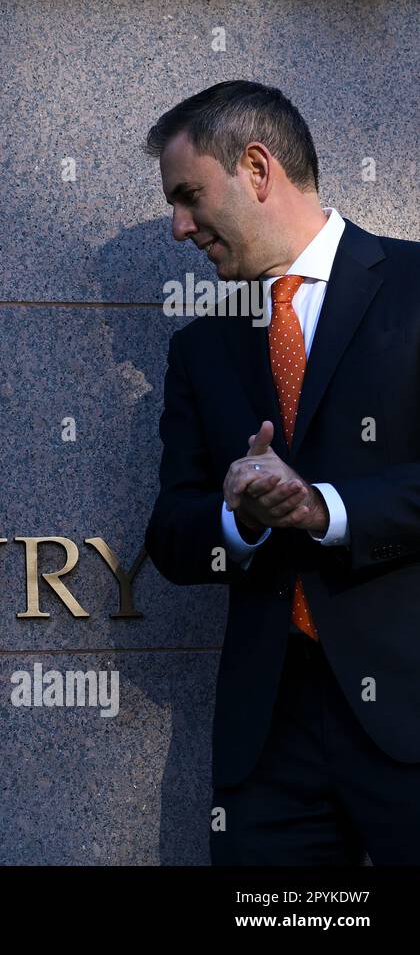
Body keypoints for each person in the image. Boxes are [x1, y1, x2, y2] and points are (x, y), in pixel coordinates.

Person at [143, 80, 420, 864]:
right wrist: (244, 517)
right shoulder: (200, 350)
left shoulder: (414, 288)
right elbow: (169, 532)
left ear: (257, 169)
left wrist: (322, 507)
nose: (178, 227)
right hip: (267, 744)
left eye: (189, 196)